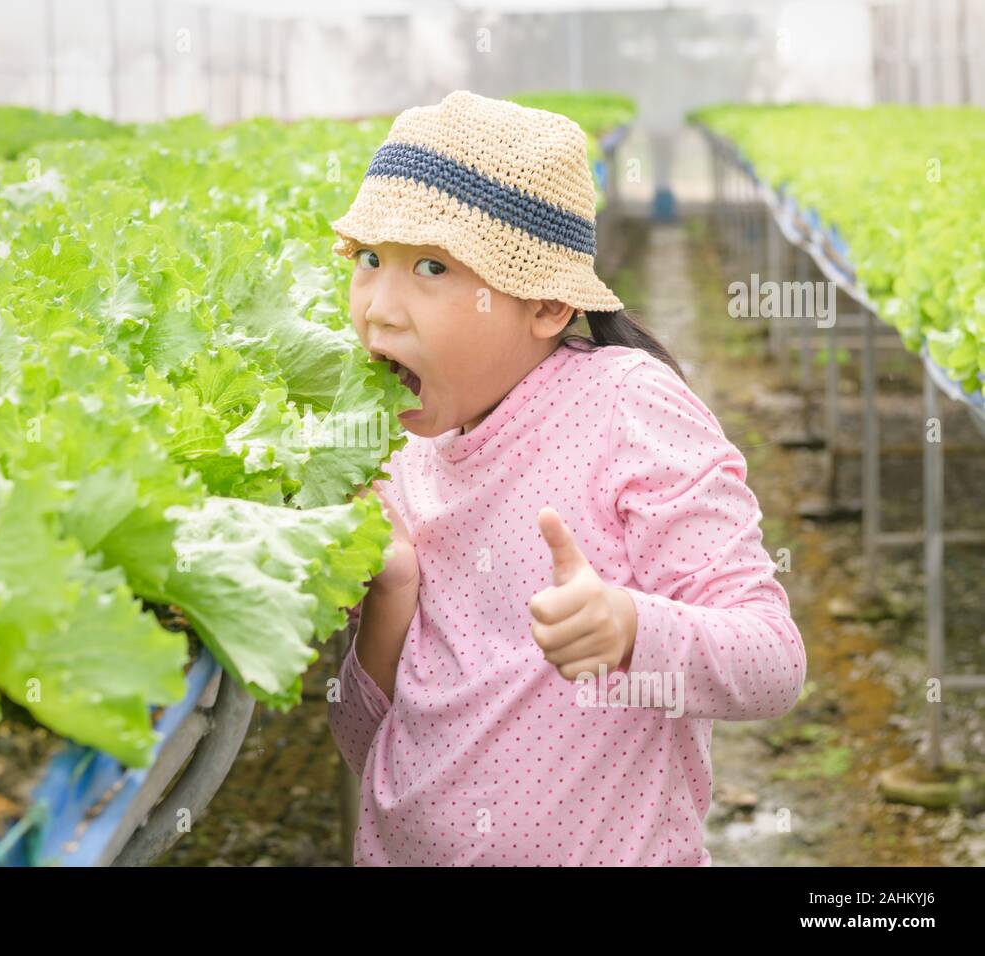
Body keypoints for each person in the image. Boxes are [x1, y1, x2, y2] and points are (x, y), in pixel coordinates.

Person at [326, 90, 806, 866]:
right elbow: (364, 748)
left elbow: (773, 662)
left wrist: (629, 629)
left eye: (431, 267)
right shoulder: (397, 448)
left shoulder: (625, 407)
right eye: (370, 261)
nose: (379, 307)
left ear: (547, 304)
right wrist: (393, 590)